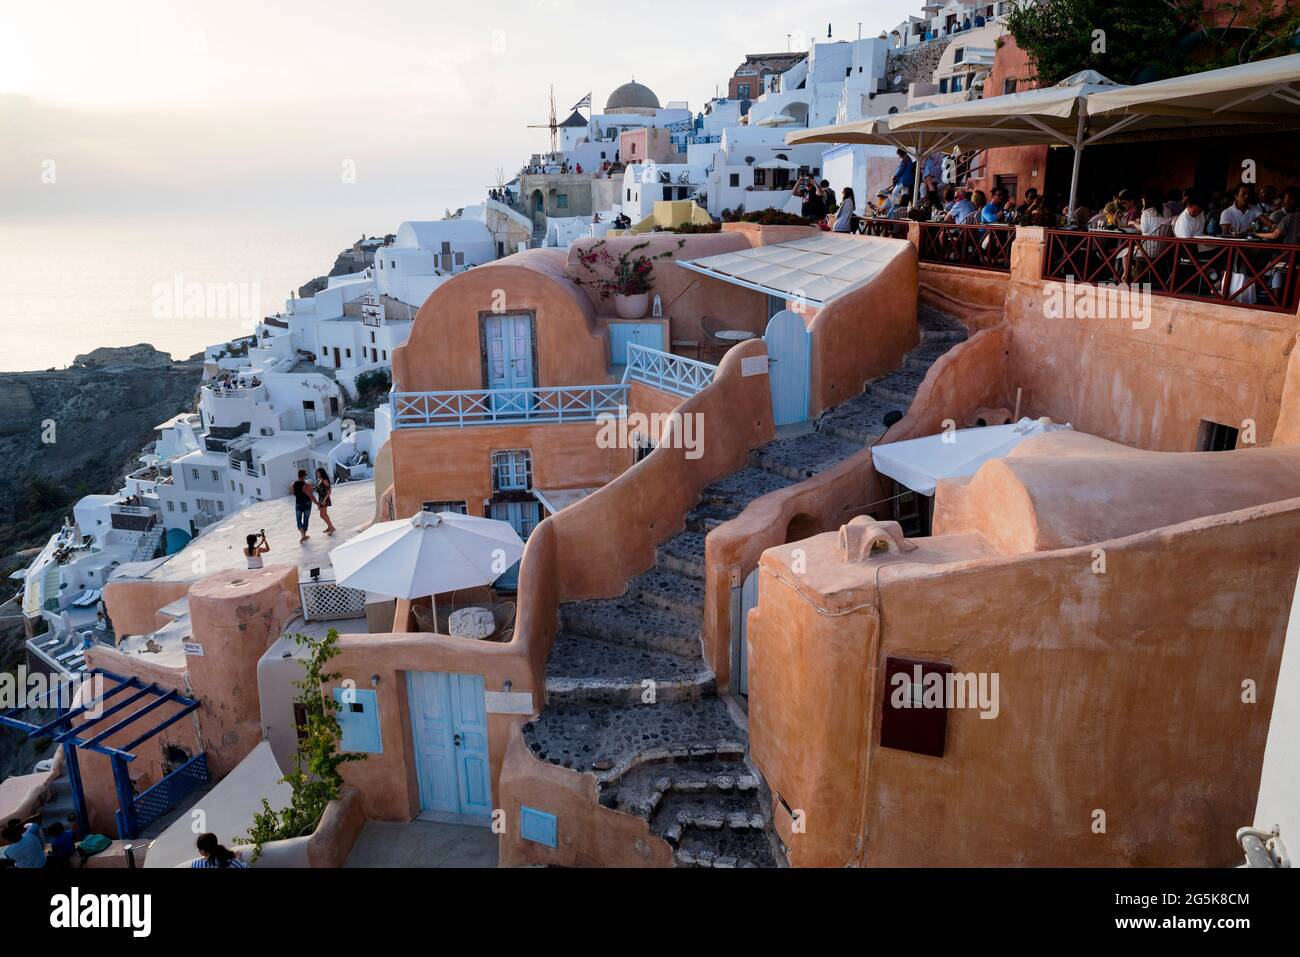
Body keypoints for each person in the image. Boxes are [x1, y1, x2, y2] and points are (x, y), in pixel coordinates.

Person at [290, 469, 314, 544]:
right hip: (307, 503)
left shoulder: (294, 484)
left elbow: (294, 493)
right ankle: (304, 535)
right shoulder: (306, 485)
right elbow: (310, 495)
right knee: (306, 519)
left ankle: (303, 535)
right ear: (303, 476)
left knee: (298, 519)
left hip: (298, 503)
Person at [314, 468, 338, 536]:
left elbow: (329, 491)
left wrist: (324, 500)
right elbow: (317, 489)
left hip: (324, 499)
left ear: (322, 473)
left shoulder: (325, 480)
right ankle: (329, 527)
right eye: (316, 473)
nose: (317, 474)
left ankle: (331, 528)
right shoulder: (319, 480)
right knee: (324, 515)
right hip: (321, 499)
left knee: (323, 515)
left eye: (318, 473)